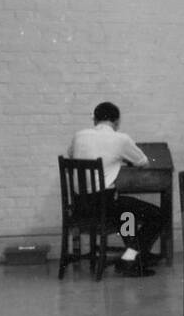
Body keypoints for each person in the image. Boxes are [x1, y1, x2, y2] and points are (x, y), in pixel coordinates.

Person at [68, 101, 164, 277]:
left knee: (127, 214)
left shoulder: (79, 136)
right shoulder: (121, 139)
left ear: (94, 120)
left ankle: (133, 254)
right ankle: (131, 258)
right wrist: (121, 159)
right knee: (156, 215)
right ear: (117, 121)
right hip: (104, 206)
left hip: (80, 207)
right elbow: (143, 163)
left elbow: (70, 155)